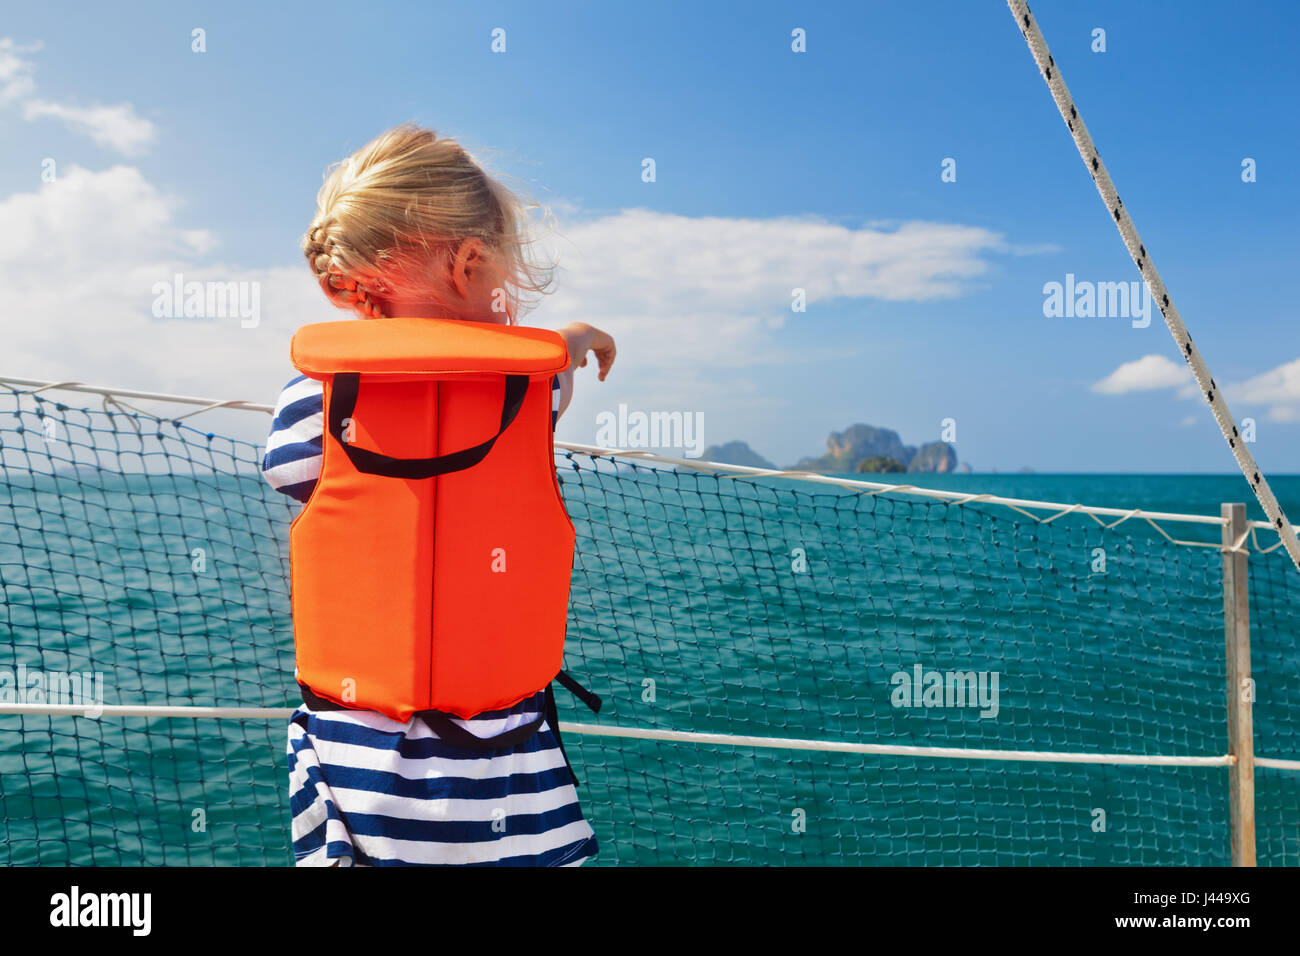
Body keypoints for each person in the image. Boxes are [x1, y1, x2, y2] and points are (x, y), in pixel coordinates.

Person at [261, 123, 616, 866]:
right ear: (470, 263)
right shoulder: (535, 390)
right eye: (501, 274)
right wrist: (575, 339)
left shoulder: (311, 401)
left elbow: (290, 474)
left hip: (357, 780)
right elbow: (559, 370)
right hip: (508, 782)